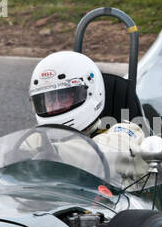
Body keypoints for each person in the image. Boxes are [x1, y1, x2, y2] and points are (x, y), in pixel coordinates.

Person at [28, 50, 148, 182]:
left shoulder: (126, 132)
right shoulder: (38, 138)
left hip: (110, 200)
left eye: (63, 97)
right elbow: (6, 157)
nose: (55, 106)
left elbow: (101, 157)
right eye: (49, 100)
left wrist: (53, 153)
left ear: (91, 92)